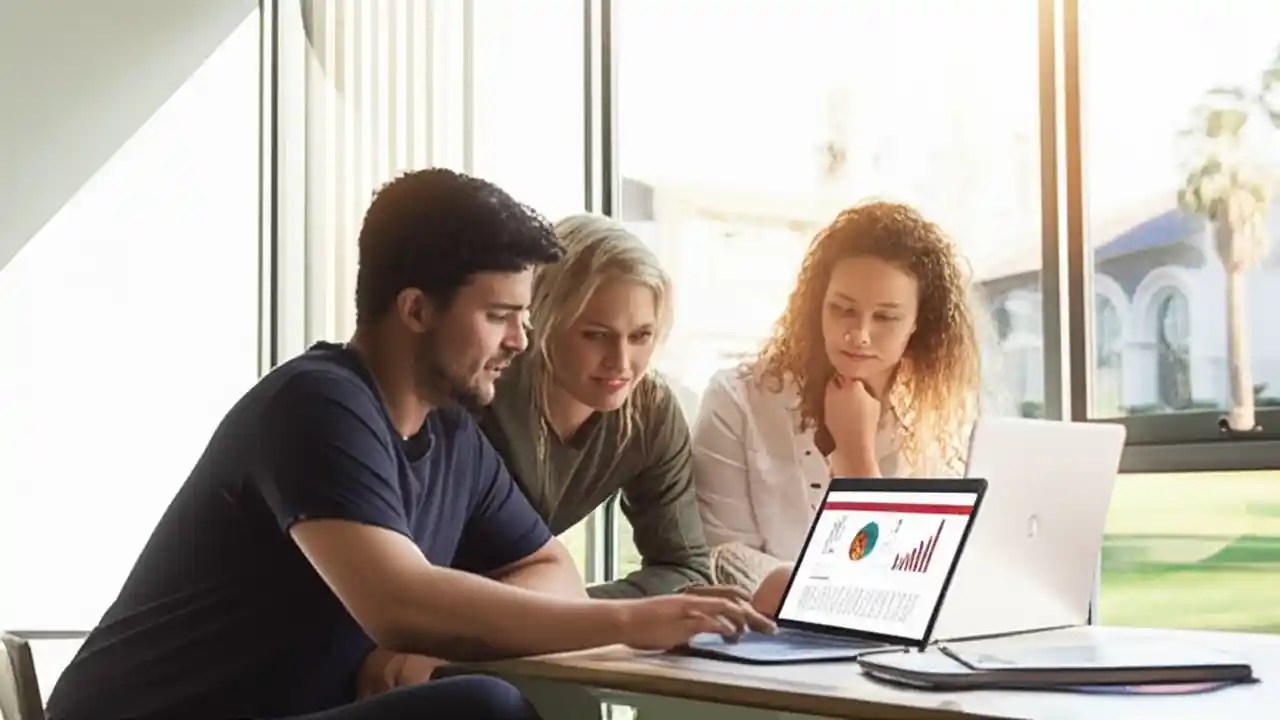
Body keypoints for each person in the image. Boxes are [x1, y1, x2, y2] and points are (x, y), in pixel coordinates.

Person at [45, 169, 772, 720]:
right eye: (498, 316)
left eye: (523, 316)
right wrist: (628, 618)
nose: (520, 342)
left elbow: (549, 566)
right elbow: (402, 606)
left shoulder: (451, 429)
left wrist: (575, 613)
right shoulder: (319, 405)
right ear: (416, 309)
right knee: (481, 709)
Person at [690, 201, 981, 613]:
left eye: (886, 317)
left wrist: (857, 456)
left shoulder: (944, 418)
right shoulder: (736, 401)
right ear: (816, 304)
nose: (859, 334)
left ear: (918, 322)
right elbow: (723, 559)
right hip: (768, 646)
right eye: (842, 309)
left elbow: (916, 586)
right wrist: (839, 589)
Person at [480, 213, 712, 598]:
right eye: (596, 335)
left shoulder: (650, 412)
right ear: (543, 318)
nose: (621, 362)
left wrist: (575, 614)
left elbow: (685, 570)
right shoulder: (485, 393)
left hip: (520, 623)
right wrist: (566, 613)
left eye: (641, 336)